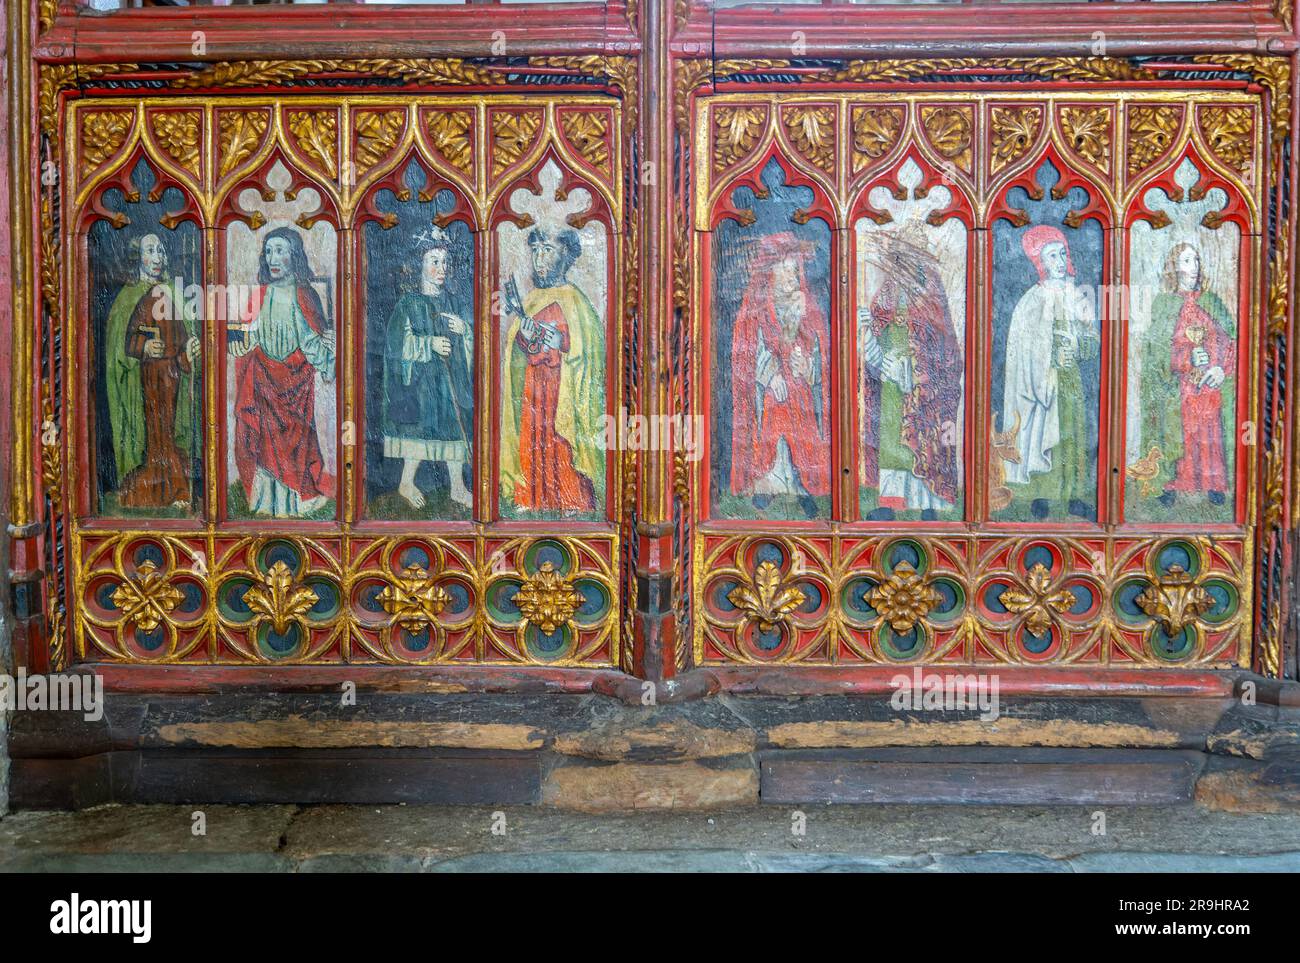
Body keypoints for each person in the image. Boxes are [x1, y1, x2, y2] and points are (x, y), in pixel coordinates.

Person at [857, 227, 963, 519]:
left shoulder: (931, 294)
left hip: (922, 387)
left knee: (924, 442)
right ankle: (891, 505)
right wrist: (866, 332)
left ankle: (927, 504)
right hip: (891, 383)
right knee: (891, 441)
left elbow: (946, 350)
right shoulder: (887, 292)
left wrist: (916, 370)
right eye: (900, 257)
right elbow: (874, 343)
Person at [500, 225, 605, 513]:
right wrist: (524, 334)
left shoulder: (575, 300)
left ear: (567, 255)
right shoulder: (532, 299)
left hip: (563, 386)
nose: (539, 259)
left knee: (561, 440)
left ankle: (572, 498)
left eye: (548, 250)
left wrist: (563, 341)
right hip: (534, 384)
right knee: (533, 438)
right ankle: (529, 496)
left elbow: (590, 348)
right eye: (535, 251)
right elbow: (518, 348)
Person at [231, 227, 335, 516]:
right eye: (269, 252)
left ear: (294, 256)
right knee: (265, 443)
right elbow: (246, 335)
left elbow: (313, 339)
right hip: (263, 379)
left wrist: (329, 358)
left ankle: (298, 501)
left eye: (280, 251)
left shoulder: (305, 294)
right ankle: (267, 501)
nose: (273, 258)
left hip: (297, 382)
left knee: (297, 442)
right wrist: (240, 347)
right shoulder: (259, 294)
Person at [729, 233, 830, 518]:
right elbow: (750, 348)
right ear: (770, 273)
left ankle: (802, 486)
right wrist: (770, 374)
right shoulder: (757, 310)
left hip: (800, 388)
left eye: (793, 269)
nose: (790, 276)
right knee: (774, 422)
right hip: (771, 390)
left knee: (803, 431)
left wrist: (808, 367)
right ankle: (768, 485)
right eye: (784, 269)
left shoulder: (808, 308)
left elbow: (820, 350)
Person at [1001, 224, 1099, 519]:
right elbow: (1023, 349)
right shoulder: (1031, 301)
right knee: (1044, 434)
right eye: (1051, 257)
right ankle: (1041, 495)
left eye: (1061, 254)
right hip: (1043, 382)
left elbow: (1093, 341)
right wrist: (1050, 355)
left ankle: (1073, 495)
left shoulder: (1076, 295)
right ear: (1040, 263)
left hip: (1070, 380)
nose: (1058, 262)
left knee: (1072, 435)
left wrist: (1079, 343)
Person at [105, 233, 200, 509]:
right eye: (150, 251)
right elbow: (120, 345)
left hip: (172, 379)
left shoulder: (174, 294)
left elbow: (184, 338)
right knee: (154, 433)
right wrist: (144, 347)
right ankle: (150, 491)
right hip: (144, 381)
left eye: (161, 251)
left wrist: (189, 351)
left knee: (169, 432)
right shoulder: (128, 299)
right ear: (138, 257)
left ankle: (176, 489)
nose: (157, 257)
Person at [382, 235, 474, 510]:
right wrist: (428, 344)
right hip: (421, 383)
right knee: (419, 433)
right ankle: (406, 483)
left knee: (453, 429)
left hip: (450, 381)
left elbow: (472, 342)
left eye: (445, 262)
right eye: (434, 261)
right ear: (419, 265)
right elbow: (396, 346)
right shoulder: (408, 303)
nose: (441, 268)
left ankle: (457, 487)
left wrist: (464, 331)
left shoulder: (454, 302)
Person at [1141, 242, 1235, 507]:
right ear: (1174, 267)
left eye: (1195, 260)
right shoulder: (1164, 304)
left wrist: (1220, 368)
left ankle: (1212, 485)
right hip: (1179, 388)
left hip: (1208, 386)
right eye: (1185, 261)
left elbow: (1231, 341)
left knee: (1209, 432)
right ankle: (1172, 484)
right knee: (1180, 432)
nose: (1193, 267)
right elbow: (1156, 351)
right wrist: (1186, 358)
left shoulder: (1211, 302)